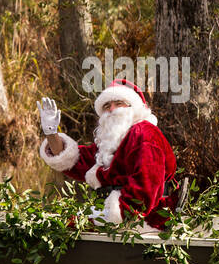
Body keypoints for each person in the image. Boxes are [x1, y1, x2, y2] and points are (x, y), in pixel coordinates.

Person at [37, 78, 179, 230]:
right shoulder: (111, 143)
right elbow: (75, 161)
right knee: (64, 222)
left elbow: (144, 189)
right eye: (106, 106)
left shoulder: (144, 134)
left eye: (118, 103)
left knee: (67, 225)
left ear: (134, 107)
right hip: (119, 214)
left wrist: (104, 218)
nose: (111, 109)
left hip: (147, 220)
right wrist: (51, 133)